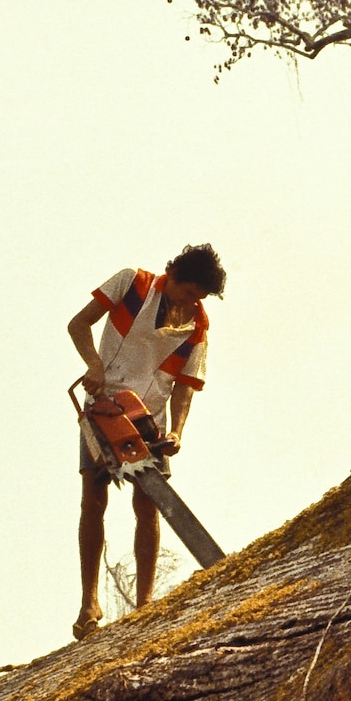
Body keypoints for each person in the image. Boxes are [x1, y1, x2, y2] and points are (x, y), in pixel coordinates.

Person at [67, 244, 225, 639]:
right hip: (103, 404)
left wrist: (178, 431)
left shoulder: (197, 328)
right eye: (188, 292)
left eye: (198, 298)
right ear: (171, 274)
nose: (191, 302)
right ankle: (89, 603)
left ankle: (145, 602)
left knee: (149, 502)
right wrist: (94, 365)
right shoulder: (131, 284)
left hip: (149, 417)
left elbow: (185, 387)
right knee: (93, 498)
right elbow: (78, 325)